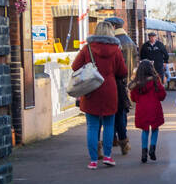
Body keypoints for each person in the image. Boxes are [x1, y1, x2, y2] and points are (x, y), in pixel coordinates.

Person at [71, 20, 127, 168]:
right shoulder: (116, 49)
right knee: (109, 124)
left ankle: (94, 160)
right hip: (109, 89)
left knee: (92, 126)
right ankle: (108, 157)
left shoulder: (87, 48)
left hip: (91, 89)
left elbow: (75, 66)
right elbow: (123, 72)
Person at [104, 16, 138, 156]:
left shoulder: (114, 43)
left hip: (115, 81)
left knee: (112, 113)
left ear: (112, 26)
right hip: (127, 81)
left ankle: (113, 139)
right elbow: (135, 63)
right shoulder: (130, 41)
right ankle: (123, 140)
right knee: (122, 112)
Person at [128, 60, 167, 164]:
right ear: (151, 69)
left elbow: (133, 98)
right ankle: (152, 149)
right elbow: (162, 95)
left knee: (145, 130)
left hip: (142, 109)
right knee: (155, 128)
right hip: (154, 108)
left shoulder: (137, 83)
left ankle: (144, 153)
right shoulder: (155, 80)